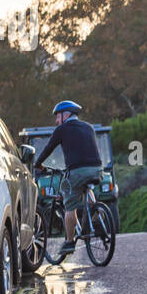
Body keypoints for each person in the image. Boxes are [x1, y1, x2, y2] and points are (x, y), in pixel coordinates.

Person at [34, 100, 103, 256]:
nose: (57, 121)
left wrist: (38, 164)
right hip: (97, 170)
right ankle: (96, 209)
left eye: (58, 116)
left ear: (66, 115)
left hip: (77, 172)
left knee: (69, 202)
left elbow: (47, 149)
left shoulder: (62, 129)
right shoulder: (89, 127)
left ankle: (69, 242)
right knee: (86, 187)